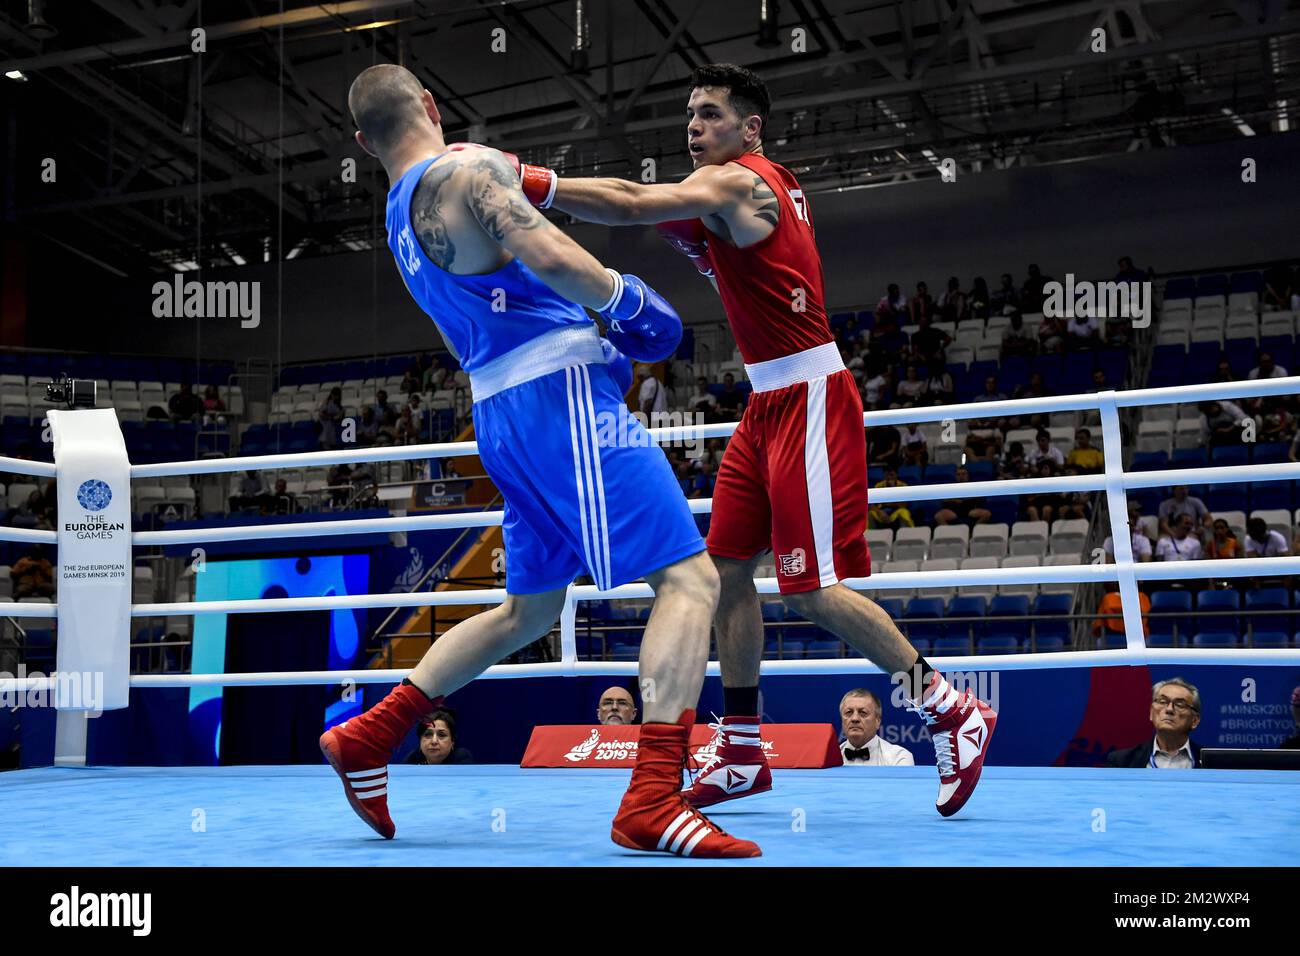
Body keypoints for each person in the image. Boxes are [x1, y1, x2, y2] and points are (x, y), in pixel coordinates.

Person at [322, 64, 757, 858]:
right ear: (430, 103)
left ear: (363, 141)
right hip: (561, 398)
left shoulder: (395, 215)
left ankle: (369, 735)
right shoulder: (467, 168)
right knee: (691, 580)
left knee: (528, 612)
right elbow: (549, 252)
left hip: (500, 410)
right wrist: (622, 297)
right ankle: (653, 800)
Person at [540, 61, 995, 815]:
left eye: (710, 114)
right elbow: (638, 211)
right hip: (765, 402)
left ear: (750, 128)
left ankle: (949, 705)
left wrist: (526, 184)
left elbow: (626, 201)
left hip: (811, 395)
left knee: (811, 589)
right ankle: (745, 750)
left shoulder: (743, 181)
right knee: (722, 573)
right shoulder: (716, 192)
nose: (693, 126)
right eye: (689, 113)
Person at [1106, 678, 1203, 768]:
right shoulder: (1122, 761)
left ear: (1195, 720)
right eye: (1162, 701)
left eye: (1179, 704)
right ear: (1152, 713)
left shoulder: (1211, 762)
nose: (1169, 709)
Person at [838, 689, 913, 765]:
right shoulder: (828, 760)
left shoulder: (898, 757)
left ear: (878, 721)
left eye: (863, 712)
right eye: (848, 712)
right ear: (842, 720)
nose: (855, 718)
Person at [405, 709, 473, 765]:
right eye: (428, 735)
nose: (434, 741)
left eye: (441, 735)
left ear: (452, 742)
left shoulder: (462, 759)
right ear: (420, 740)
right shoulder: (412, 759)